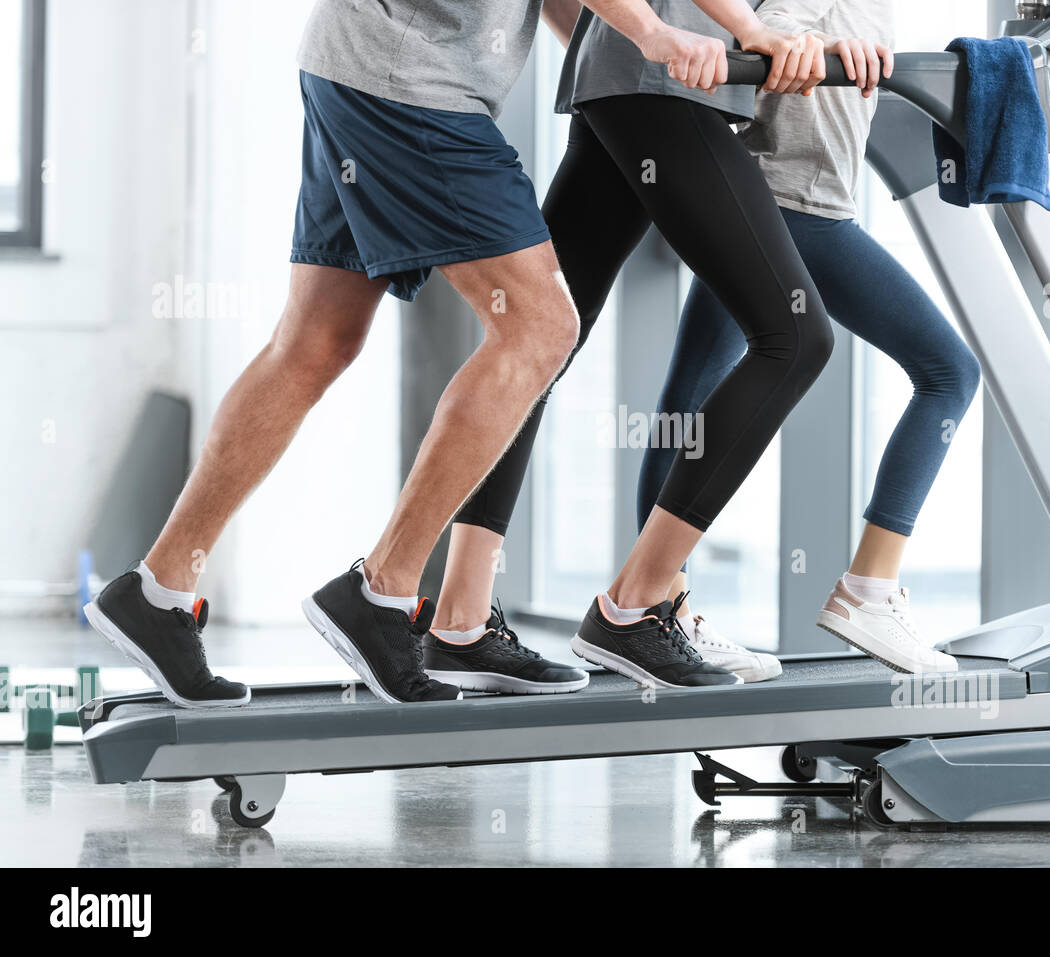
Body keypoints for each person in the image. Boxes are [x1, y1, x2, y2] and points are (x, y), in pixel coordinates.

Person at [81, 0, 758, 707]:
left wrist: (618, 71)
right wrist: (653, 33)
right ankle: (384, 590)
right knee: (540, 327)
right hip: (410, 80)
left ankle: (157, 591)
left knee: (315, 341)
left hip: (356, 63)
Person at [426, 0, 849, 690]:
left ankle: (460, 618)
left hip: (629, 81)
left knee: (538, 345)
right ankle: (636, 607)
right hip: (667, 86)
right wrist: (741, 32)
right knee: (796, 338)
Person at [638, 0, 982, 675]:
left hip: (748, 200)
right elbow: (770, 37)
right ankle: (869, 590)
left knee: (689, 398)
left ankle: (658, 609)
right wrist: (812, 46)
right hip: (800, 209)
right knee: (949, 372)